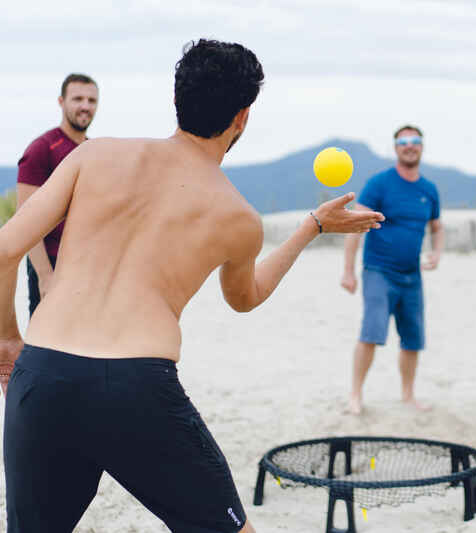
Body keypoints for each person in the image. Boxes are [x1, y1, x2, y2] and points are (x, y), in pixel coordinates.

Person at [0, 39, 384, 533]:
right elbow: (246, 299)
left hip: (43, 372)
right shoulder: (236, 216)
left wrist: (9, 338)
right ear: (242, 117)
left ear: (177, 99)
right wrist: (312, 227)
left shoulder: (92, 156)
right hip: (135, 386)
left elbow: (6, 250)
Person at [341, 125, 444, 415]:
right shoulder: (379, 184)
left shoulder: (428, 189)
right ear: (396, 147)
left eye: (415, 141)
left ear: (421, 146)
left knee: (413, 338)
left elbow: (437, 227)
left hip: (412, 275)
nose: (409, 146)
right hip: (378, 270)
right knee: (371, 332)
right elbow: (355, 226)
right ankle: (355, 396)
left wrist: (436, 253)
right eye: (403, 141)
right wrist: (348, 271)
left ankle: (408, 395)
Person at [16, 73, 99, 316]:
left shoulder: (93, 151)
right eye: (78, 99)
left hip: (85, 267)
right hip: (51, 265)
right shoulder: (41, 149)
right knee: (46, 348)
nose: (85, 106)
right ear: (61, 102)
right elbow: (25, 221)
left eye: (92, 101)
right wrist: (44, 276)